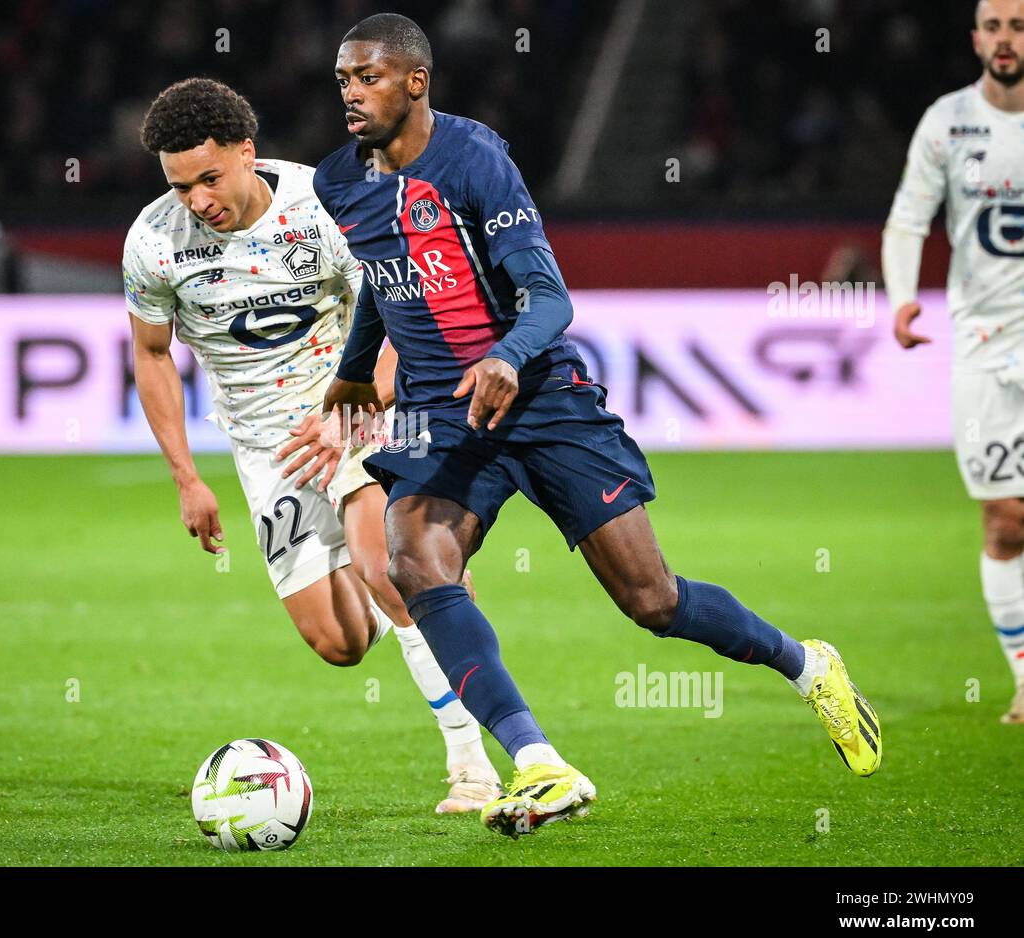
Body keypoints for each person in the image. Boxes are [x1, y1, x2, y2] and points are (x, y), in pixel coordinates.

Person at [311, 14, 881, 839]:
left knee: (652, 600)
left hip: (542, 399)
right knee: (416, 560)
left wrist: (506, 356)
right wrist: (358, 367)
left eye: (366, 77)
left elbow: (550, 299)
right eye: (342, 81)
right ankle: (537, 762)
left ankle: (805, 663)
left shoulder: (475, 160)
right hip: (438, 413)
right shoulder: (340, 181)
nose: (351, 95)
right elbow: (380, 276)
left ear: (415, 81)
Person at [121, 78, 501, 814]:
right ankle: (427, 594)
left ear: (246, 153)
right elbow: (151, 354)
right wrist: (186, 478)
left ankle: (473, 765)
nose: (197, 199)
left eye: (209, 177)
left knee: (391, 569)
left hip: (353, 407)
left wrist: (361, 401)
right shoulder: (153, 242)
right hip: (266, 447)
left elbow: (400, 309)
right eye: (180, 185)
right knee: (339, 643)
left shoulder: (323, 203)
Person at [883, 0, 1024, 724]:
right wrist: (904, 298)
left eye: (1019, 26)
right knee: (1004, 521)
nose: (1006, 40)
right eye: (995, 27)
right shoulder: (948, 121)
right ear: (976, 39)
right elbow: (910, 215)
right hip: (983, 347)